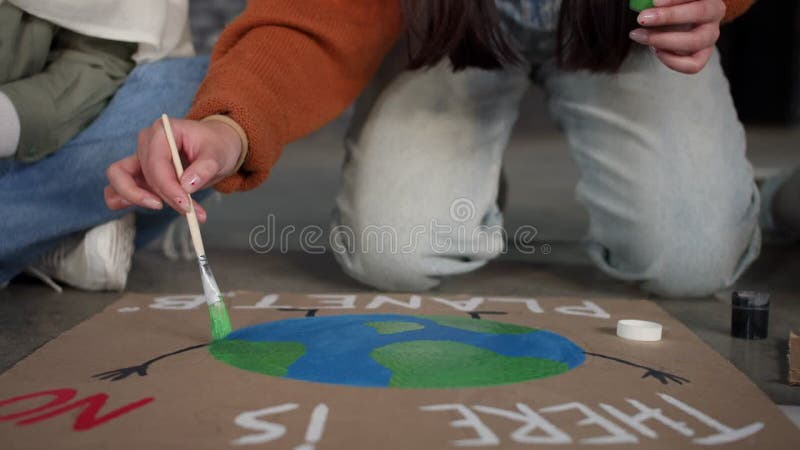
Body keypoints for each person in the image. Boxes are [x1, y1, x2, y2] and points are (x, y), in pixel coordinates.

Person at [106, 0, 759, 297]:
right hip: (448, 32)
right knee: (393, 253)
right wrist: (229, 125)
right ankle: (467, 173)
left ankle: (766, 198)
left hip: (628, 33)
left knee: (693, 259)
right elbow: (317, 15)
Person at [0, 0, 203, 291]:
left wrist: (8, 118)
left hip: (38, 141)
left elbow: (96, 58)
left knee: (199, 96)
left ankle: (30, 236)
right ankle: (44, 238)